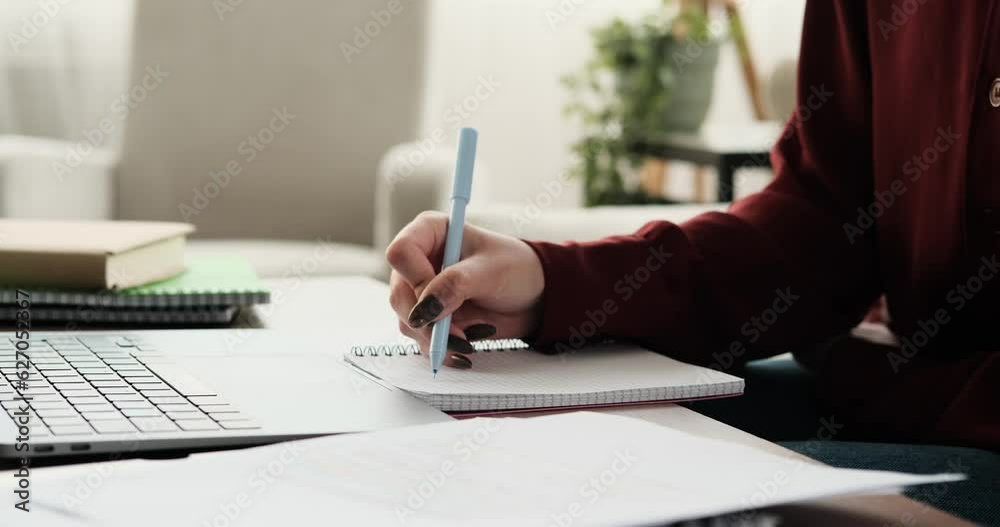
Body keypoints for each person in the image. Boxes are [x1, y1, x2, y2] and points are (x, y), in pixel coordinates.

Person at [386, 2, 998, 457]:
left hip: (931, 420)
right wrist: (553, 281)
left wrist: (890, 393)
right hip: (882, 394)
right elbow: (825, 221)